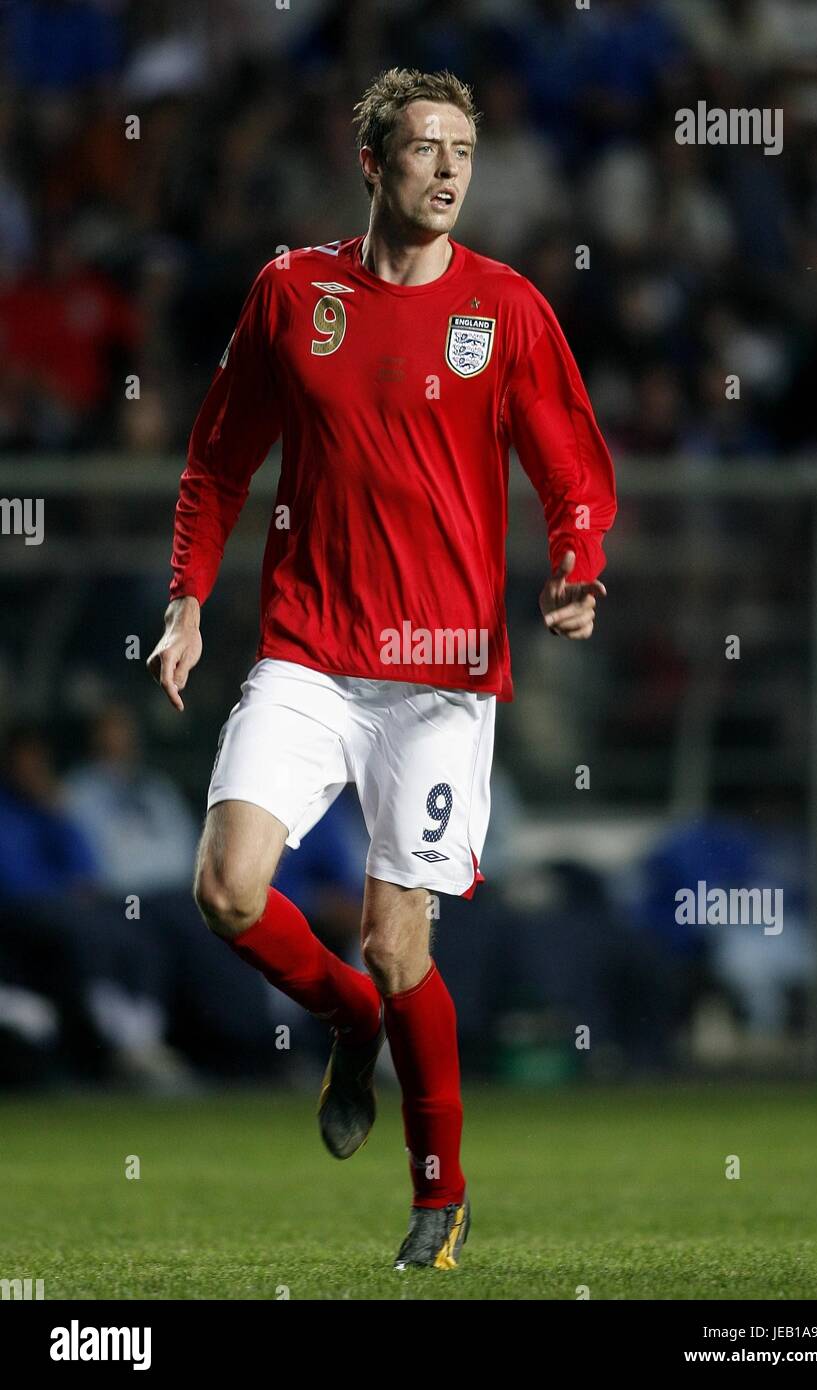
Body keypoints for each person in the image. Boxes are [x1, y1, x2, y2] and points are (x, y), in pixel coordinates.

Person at [147, 67, 616, 1271]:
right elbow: (215, 462)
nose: (450, 169)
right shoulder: (291, 293)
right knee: (228, 890)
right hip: (308, 654)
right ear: (373, 162)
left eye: (464, 148)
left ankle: (439, 1193)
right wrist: (188, 600)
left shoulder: (504, 308)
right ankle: (346, 1018)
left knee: (400, 942)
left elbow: (570, 461)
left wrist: (575, 559)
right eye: (425, 148)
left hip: (441, 676)